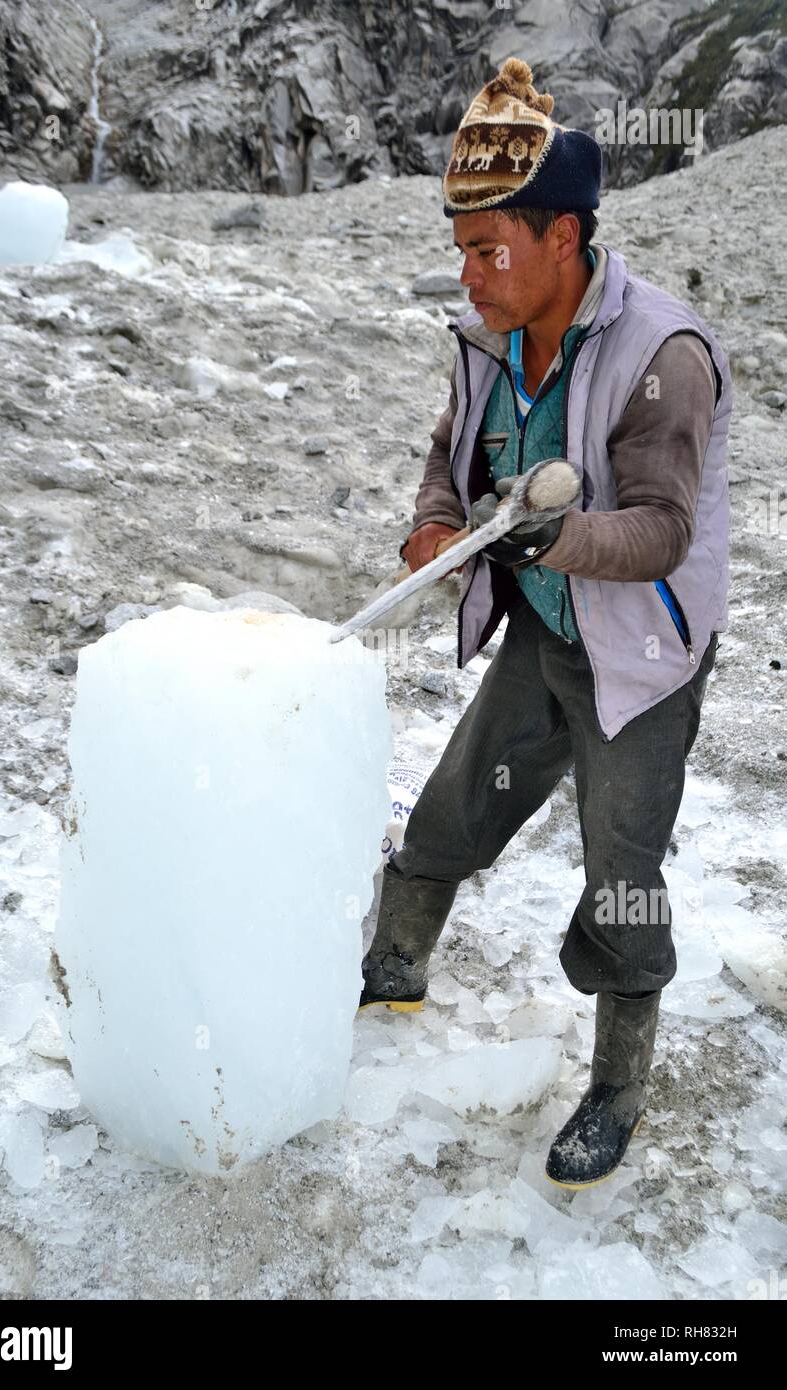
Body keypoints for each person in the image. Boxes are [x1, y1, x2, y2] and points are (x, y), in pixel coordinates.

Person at [359, 57, 732, 1190]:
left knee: (619, 868)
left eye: (488, 251)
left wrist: (544, 542)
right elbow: (450, 448)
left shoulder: (658, 357)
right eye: (462, 249)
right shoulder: (488, 337)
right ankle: (392, 966)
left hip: (637, 656)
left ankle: (617, 1080)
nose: (467, 276)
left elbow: (660, 533)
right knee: (458, 803)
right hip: (544, 631)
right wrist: (437, 519)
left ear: (561, 240)